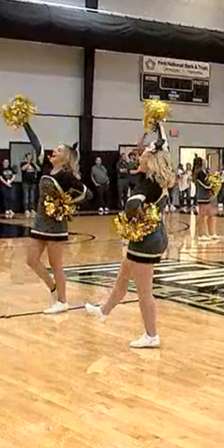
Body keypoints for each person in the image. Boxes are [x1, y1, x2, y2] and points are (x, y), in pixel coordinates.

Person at [86, 123, 175, 348]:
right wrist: (160, 126)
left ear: (150, 162)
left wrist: (131, 215)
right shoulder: (158, 179)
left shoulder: (148, 183)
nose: (139, 157)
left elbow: (132, 204)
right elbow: (164, 144)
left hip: (147, 239)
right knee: (123, 276)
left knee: (144, 292)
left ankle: (151, 335)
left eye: (142, 156)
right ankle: (103, 311)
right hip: (153, 234)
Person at [22, 123, 92, 314]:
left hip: (56, 225)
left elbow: (87, 194)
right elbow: (36, 145)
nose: (54, 151)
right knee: (31, 260)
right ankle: (53, 288)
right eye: (55, 149)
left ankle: (62, 301)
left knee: (56, 264)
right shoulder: (46, 167)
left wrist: (65, 204)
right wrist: (25, 123)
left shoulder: (66, 176)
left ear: (65, 157)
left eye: (59, 150)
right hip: (40, 222)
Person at [192, 156, 218, 241]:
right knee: (202, 215)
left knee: (211, 214)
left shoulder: (203, 172)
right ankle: (201, 234)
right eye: (203, 161)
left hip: (206, 196)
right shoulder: (200, 173)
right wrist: (215, 184)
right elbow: (207, 184)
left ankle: (211, 233)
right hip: (202, 196)